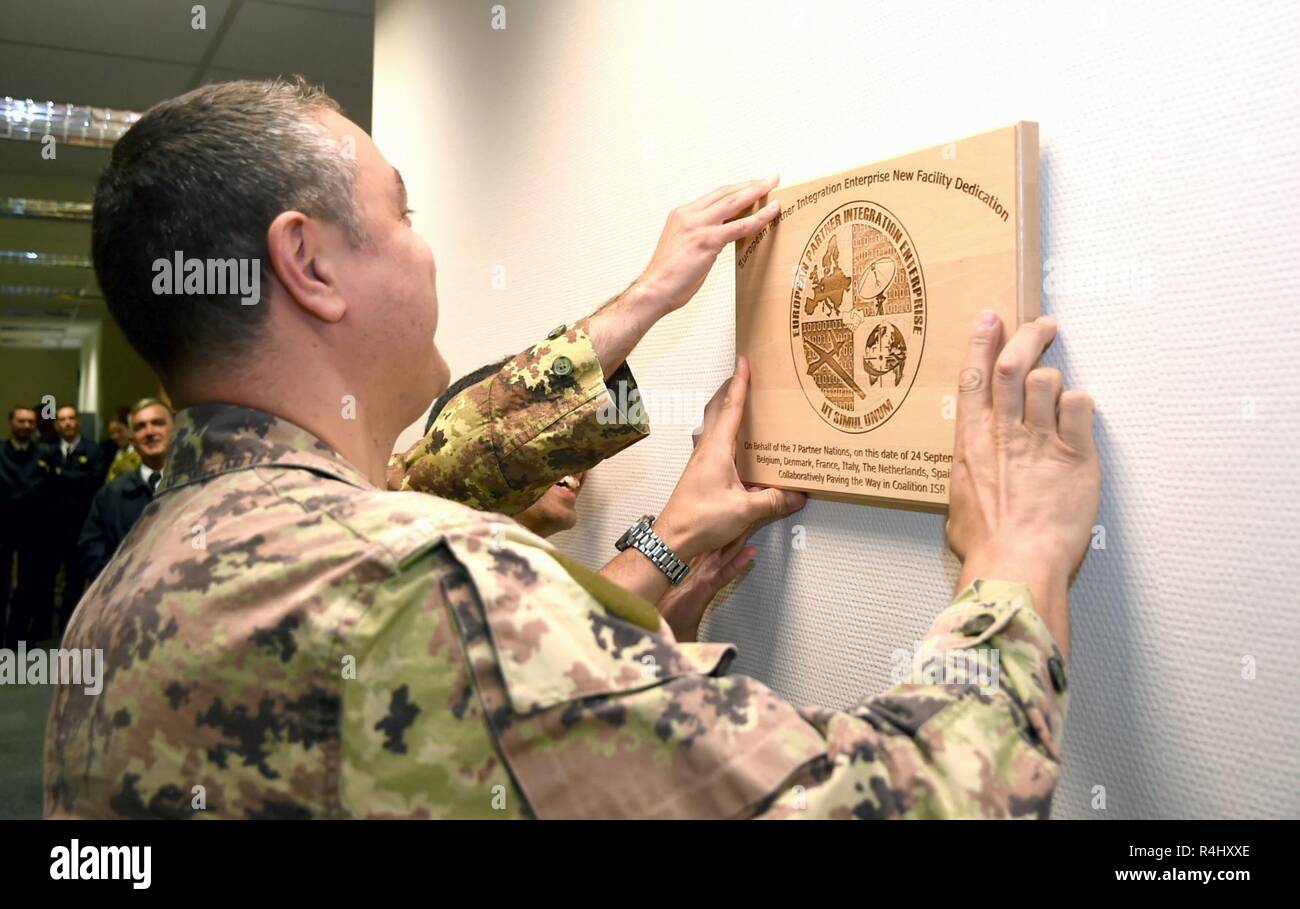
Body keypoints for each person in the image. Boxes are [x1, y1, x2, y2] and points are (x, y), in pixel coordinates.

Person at [47, 78, 1099, 820]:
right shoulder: (422, 589)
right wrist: (1013, 564)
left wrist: (667, 531)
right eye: (402, 212)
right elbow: (900, 804)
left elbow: (427, 486)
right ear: (308, 264)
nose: (427, 244)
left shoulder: (126, 588)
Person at [410, 360, 755, 641]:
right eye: (543, 443)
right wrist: (673, 537)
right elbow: (542, 643)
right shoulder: (417, 577)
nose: (580, 464)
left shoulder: (531, 582)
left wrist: (675, 618)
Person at [78, 399, 174, 584]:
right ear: (132, 439)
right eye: (140, 427)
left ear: (176, 430)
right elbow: (92, 551)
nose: (150, 432)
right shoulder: (110, 495)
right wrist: (122, 583)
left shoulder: (198, 490)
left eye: (158, 423)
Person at [36, 405, 102, 637]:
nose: (66, 423)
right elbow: (42, 486)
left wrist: (58, 475)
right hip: (50, 527)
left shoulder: (93, 450)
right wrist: (70, 479)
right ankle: (43, 629)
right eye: (62, 419)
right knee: (46, 579)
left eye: (71, 418)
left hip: (80, 526)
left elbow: (92, 482)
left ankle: (68, 630)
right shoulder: (46, 451)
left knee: (75, 580)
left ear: (78, 423)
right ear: (56, 424)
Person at [0, 406, 45, 648]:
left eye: (30, 422)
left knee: (28, 586)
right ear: (11, 422)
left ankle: (18, 640)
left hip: (33, 530)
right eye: (21, 421)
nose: (26, 426)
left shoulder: (43, 454)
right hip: (3, 528)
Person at [94, 413, 131, 483]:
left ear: (130, 429)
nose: (115, 436)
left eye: (120, 431)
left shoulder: (140, 452)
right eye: (112, 433)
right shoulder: (114, 453)